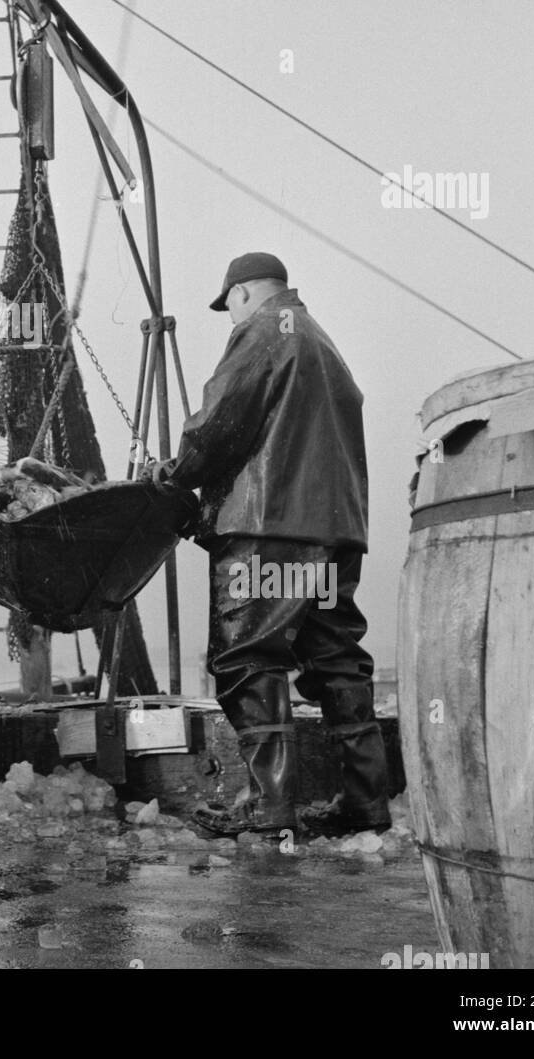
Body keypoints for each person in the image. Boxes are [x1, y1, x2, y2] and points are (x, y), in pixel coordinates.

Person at [152, 252, 389, 839]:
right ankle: (367, 804)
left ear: (241, 293)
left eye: (228, 304)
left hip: (270, 528)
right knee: (337, 661)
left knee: (248, 659)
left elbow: (219, 423)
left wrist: (176, 474)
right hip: (336, 533)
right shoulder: (324, 345)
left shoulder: (262, 331)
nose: (229, 315)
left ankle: (268, 807)